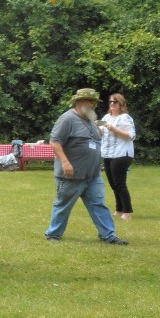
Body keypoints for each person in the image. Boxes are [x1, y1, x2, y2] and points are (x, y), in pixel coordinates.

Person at [44, 88, 129, 245]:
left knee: (99, 204)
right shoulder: (67, 119)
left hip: (93, 173)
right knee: (63, 205)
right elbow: (55, 142)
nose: (93, 105)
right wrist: (65, 162)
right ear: (79, 102)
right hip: (72, 173)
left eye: (94, 102)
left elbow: (97, 135)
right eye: (90, 101)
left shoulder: (90, 118)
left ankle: (108, 235)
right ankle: (53, 234)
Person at [100, 93, 136, 220]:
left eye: (115, 102)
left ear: (121, 105)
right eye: (110, 102)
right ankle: (119, 209)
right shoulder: (106, 117)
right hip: (107, 153)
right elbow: (101, 135)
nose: (112, 104)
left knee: (119, 183)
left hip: (121, 153)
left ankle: (127, 211)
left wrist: (114, 129)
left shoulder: (125, 118)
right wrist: (97, 128)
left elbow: (131, 135)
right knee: (112, 183)